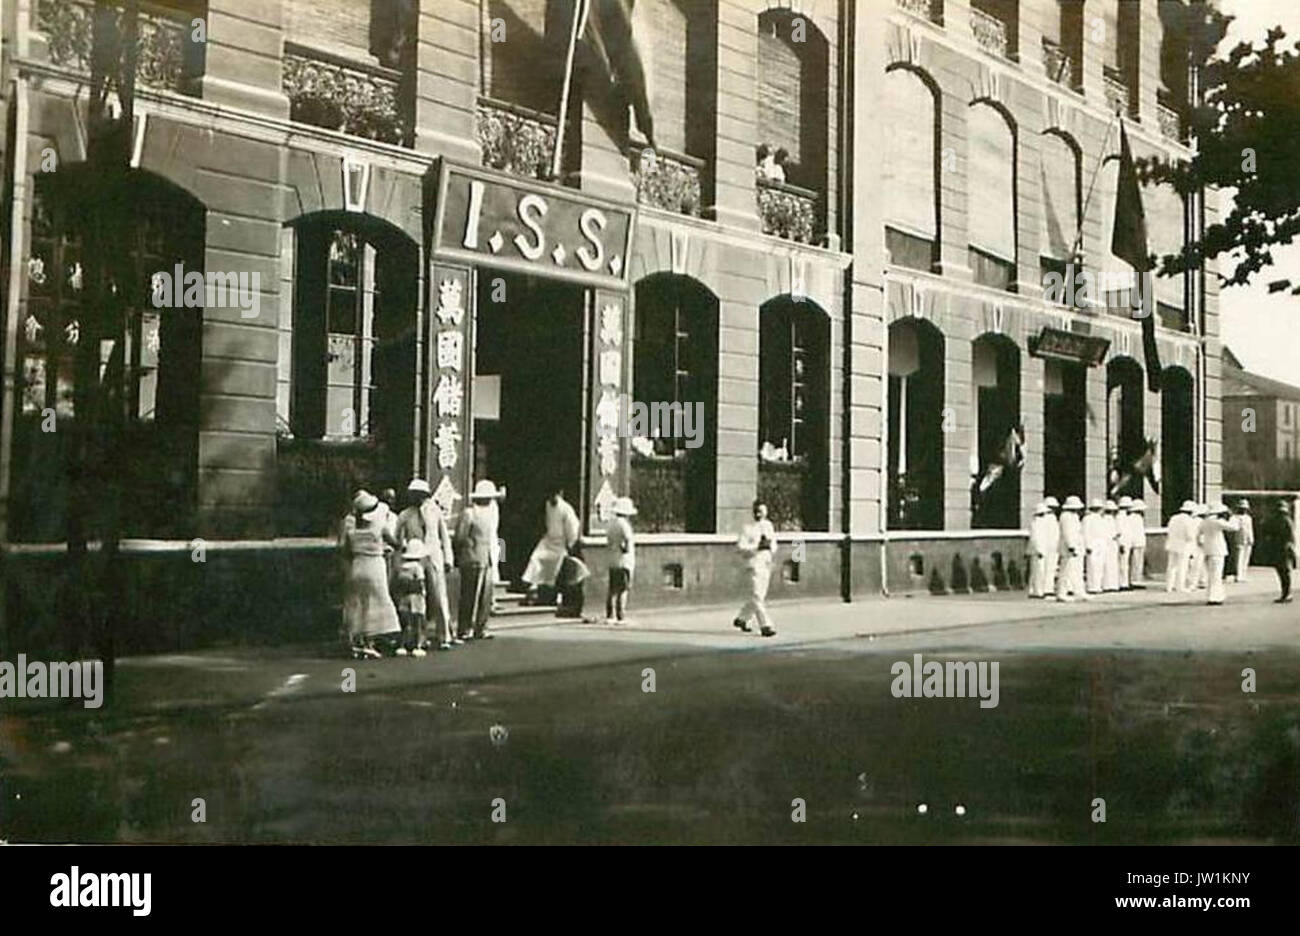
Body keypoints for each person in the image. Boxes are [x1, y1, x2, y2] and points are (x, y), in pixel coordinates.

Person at [339, 489, 402, 659]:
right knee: (375, 603)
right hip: (375, 566)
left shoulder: (351, 529)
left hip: (357, 566)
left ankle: (356, 641)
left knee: (357, 603)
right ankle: (370, 641)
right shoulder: (379, 527)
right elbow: (395, 543)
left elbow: (344, 550)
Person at [395, 478, 457, 651]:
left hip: (433, 554)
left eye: (420, 495)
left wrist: (448, 559)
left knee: (439, 595)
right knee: (413, 599)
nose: (417, 498)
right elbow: (397, 538)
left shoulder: (434, 512)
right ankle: (411, 637)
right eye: (414, 495)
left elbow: (444, 536)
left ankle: (444, 635)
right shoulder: (405, 515)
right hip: (414, 557)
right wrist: (401, 558)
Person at [455, 480, 503, 640]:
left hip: (488, 557)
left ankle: (481, 627)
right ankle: (465, 628)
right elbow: (460, 536)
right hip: (472, 558)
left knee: (485, 595)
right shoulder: (470, 513)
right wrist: (468, 547)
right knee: (469, 595)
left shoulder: (491, 513)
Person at [522, 488, 581, 606]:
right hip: (548, 540)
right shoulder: (547, 505)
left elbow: (573, 528)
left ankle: (550, 590)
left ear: (560, 494)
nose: (552, 499)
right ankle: (533, 585)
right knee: (536, 558)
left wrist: (570, 544)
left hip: (560, 543)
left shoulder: (566, 509)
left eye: (555, 496)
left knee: (556, 565)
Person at [734, 500, 778, 636]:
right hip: (753, 565)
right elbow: (740, 547)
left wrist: (770, 547)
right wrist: (756, 547)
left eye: (762, 511)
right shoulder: (747, 528)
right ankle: (766, 626)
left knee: (758, 597)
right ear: (753, 512)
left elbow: (774, 544)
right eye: (757, 511)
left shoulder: (769, 526)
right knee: (757, 596)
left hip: (766, 564)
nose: (759, 514)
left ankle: (742, 619)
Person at [392, 539, 429, 657]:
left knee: (405, 622)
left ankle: (402, 645)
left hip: (404, 596)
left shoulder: (402, 567)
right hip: (416, 597)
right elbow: (420, 582)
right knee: (418, 621)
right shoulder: (417, 568)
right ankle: (417, 645)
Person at [1198, 502, 1240, 606]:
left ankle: (1212, 595)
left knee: (1211, 575)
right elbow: (1234, 528)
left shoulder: (1204, 522)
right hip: (1217, 550)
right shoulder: (1218, 522)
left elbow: (1198, 535)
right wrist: (1233, 517)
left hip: (1207, 550)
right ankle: (1215, 597)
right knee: (1216, 575)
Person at [605, 497, 637, 624]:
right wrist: (626, 549)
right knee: (623, 589)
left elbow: (609, 541)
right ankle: (620, 615)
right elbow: (627, 541)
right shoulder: (624, 525)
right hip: (624, 561)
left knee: (612, 589)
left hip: (612, 559)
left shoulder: (611, 524)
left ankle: (610, 615)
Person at [1261, 499, 1296, 603]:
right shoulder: (1286, 520)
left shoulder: (1278, 520)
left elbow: (1290, 536)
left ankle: (1286, 594)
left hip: (1281, 548)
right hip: (1282, 548)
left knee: (1284, 572)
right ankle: (1286, 593)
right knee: (1283, 572)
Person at [1054, 496, 1087, 602]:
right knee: (1066, 571)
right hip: (1069, 548)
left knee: (1077, 571)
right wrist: (1071, 545)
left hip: (1077, 547)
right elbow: (1067, 532)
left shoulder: (1074, 516)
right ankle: (1061, 593)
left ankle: (1079, 592)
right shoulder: (1065, 516)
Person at [1165, 500, 1197, 594]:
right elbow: (1190, 535)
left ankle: (1169, 586)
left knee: (1171, 566)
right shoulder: (1189, 521)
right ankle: (1180, 586)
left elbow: (1169, 530)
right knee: (1182, 567)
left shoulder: (1173, 518)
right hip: (1184, 546)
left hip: (1172, 544)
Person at [1027, 503, 1056, 598]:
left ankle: (1040, 590)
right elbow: (1035, 538)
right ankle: (1037, 591)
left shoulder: (1042, 523)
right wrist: (1039, 550)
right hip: (1038, 551)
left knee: (1041, 571)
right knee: (1038, 571)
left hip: (1043, 549)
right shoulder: (1035, 523)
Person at [1082, 498, 1107, 594]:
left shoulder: (1101, 519)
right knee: (1092, 566)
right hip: (1092, 543)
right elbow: (1086, 532)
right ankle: (1092, 586)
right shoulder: (1087, 519)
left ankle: (1098, 585)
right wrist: (1088, 545)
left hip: (1101, 543)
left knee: (1100, 565)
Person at [1123, 498, 1147, 589]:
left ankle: (1137, 580)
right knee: (1136, 563)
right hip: (1136, 542)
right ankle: (1135, 581)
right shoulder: (1132, 518)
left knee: (1138, 563)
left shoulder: (1136, 518)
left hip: (1139, 542)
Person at [1229, 499, 1254, 582]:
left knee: (1246, 558)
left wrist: (1251, 538)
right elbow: (1233, 528)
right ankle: (1238, 575)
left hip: (1247, 540)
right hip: (1239, 539)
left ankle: (1244, 574)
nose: (1244, 510)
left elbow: (1250, 529)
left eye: (1245, 508)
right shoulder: (1234, 517)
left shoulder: (1248, 518)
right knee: (1239, 558)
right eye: (1242, 508)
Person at [1186, 503, 1208, 591]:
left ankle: (1202, 580)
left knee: (1197, 564)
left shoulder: (1192, 520)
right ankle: (1195, 583)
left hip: (1192, 544)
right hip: (1197, 545)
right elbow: (1201, 534)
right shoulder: (1200, 522)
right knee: (1197, 564)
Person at [1102, 499, 1122, 592]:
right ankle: (1110, 585)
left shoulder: (1105, 519)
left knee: (1109, 565)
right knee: (1110, 565)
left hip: (1110, 544)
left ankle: (1109, 584)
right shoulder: (1110, 520)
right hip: (1109, 543)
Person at [1043, 496, 1062, 593]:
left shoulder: (1052, 518)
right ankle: (1046, 588)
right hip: (1048, 547)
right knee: (1047, 568)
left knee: (1051, 568)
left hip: (1053, 546)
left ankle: (1049, 587)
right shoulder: (1044, 519)